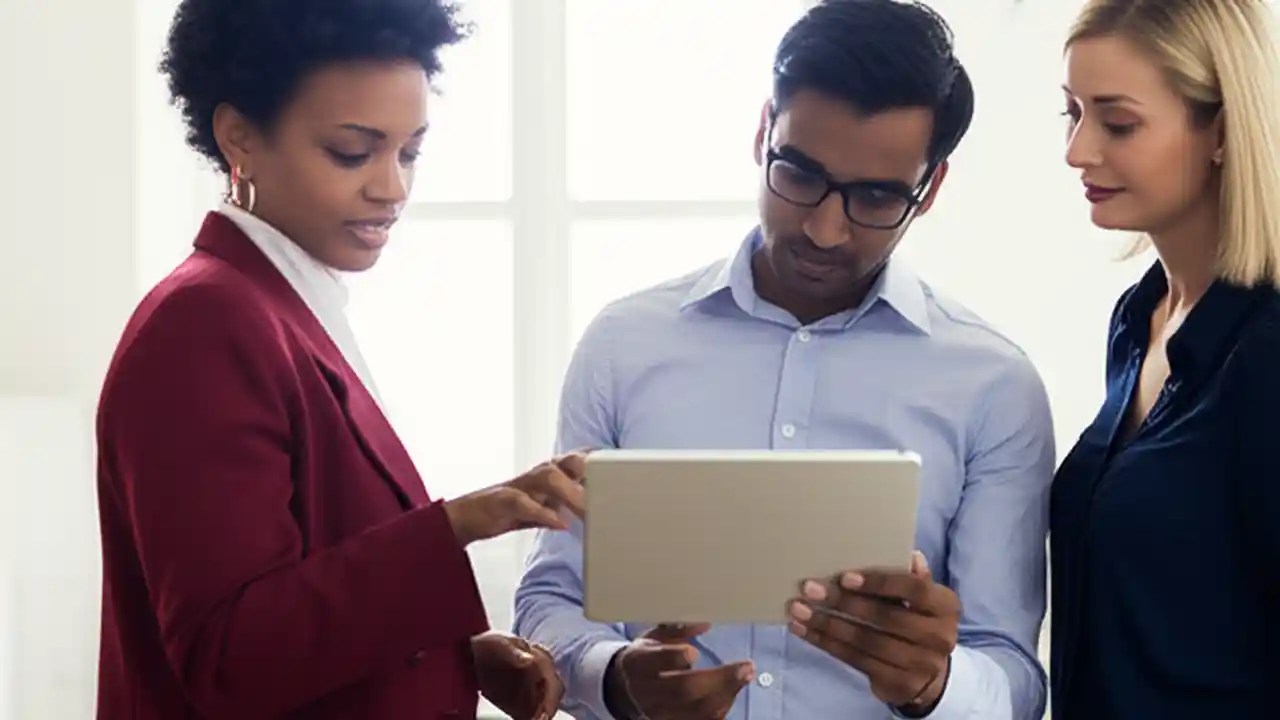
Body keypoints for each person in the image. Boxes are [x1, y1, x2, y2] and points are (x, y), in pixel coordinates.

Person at [514, 1, 1055, 718]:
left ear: (930, 190)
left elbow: (1014, 675)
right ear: (764, 132)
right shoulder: (623, 346)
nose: (824, 230)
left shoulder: (995, 387)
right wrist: (613, 677)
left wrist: (934, 683)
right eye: (799, 174)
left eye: (874, 198)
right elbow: (551, 596)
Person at [93, 1, 584, 718]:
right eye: (352, 151)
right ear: (238, 138)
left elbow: (305, 595)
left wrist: (454, 657)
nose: (392, 187)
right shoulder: (202, 325)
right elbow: (230, 656)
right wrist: (458, 526)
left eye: (409, 150)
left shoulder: (281, 305)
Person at [1051, 1, 1280, 717]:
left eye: (1117, 122)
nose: (1078, 151)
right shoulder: (1136, 319)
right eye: (1071, 113)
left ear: (1219, 130)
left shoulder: (1269, 351)